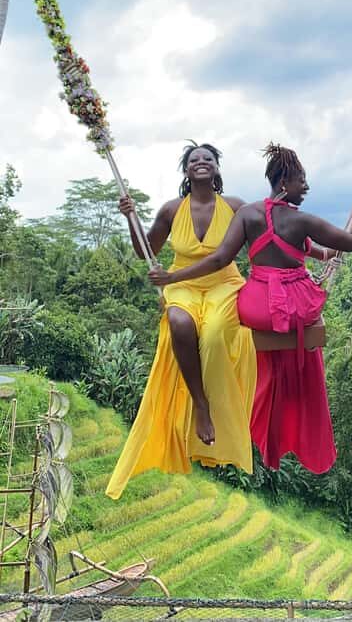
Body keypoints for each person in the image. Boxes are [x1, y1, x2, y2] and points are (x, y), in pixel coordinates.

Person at [149, 143, 352, 475]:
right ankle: (279, 406)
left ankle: (249, 402)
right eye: (301, 181)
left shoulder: (248, 213)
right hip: (291, 308)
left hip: (254, 306)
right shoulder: (302, 219)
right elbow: (350, 241)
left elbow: (227, 256)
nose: (306, 187)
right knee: (305, 336)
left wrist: (173, 275)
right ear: (284, 184)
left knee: (230, 336)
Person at [106, 142, 257, 500]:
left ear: (217, 169)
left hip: (225, 284)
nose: (201, 163)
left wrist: (311, 257)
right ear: (186, 172)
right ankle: (201, 407)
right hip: (182, 285)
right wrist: (131, 218)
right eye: (194, 160)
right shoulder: (173, 210)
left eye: (208, 159)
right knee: (179, 321)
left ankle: (222, 417)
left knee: (217, 335)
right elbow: (146, 251)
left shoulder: (236, 207)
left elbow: (266, 241)